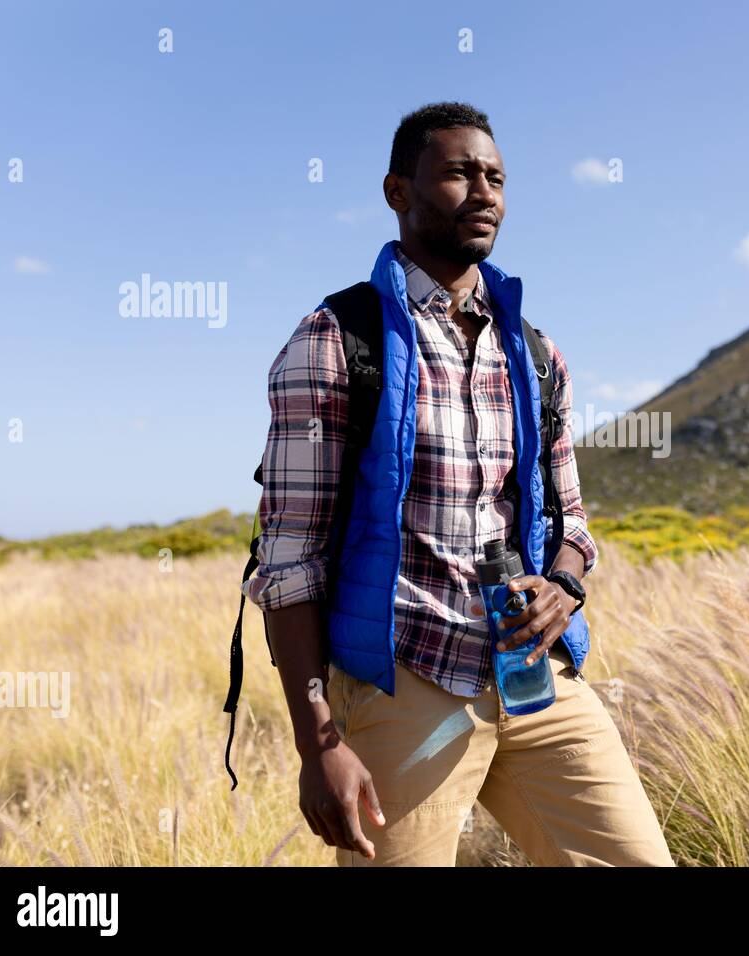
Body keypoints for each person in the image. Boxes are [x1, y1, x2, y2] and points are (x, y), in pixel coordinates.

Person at [243, 101, 674, 867]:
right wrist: (319, 747)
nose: (484, 192)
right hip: (406, 683)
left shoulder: (536, 353)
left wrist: (563, 588)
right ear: (397, 191)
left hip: (538, 683)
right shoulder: (337, 339)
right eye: (458, 173)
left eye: (496, 178)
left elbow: (571, 520)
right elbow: (289, 561)